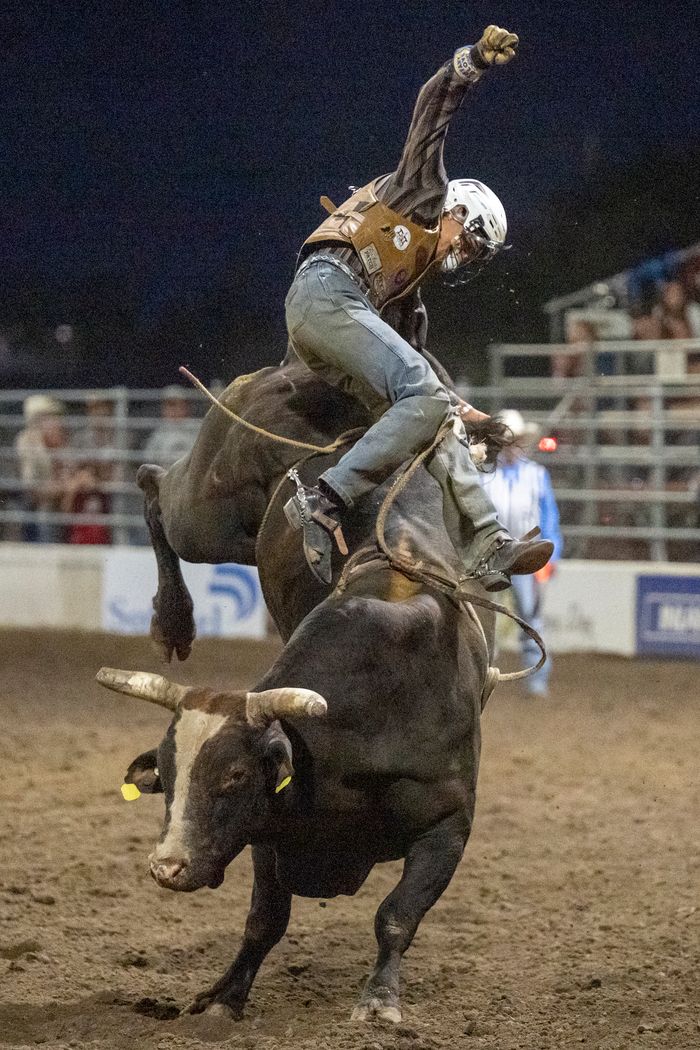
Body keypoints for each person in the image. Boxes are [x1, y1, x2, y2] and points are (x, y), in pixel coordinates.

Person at [283, 25, 553, 591]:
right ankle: (325, 499)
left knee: (432, 415)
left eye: (477, 253)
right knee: (425, 397)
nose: (466, 254)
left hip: (331, 322)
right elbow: (432, 109)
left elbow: (422, 379)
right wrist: (473, 62)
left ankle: (486, 541)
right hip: (325, 290)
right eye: (472, 240)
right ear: (459, 213)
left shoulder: (411, 299)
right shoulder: (423, 194)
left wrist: (474, 417)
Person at [480, 410, 563, 696]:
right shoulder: (484, 476)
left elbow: (549, 520)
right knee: (485, 620)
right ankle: (481, 677)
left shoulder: (537, 476)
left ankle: (538, 680)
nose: (511, 447)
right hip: (491, 556)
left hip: (526, 556)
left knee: (530, 618)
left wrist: (549, 557)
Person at [14, 394, 71, 542]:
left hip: (56, 503)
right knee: (44, 518)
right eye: (51, 417)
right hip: (36, 505)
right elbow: (31, 486)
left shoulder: (58, 441)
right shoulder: (26, 440)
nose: (57, 422)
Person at [142, 386, 199, 468]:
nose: (174, 410)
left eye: (177, 405)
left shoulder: (195, 427)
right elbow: (148, 458)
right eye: (170, 405)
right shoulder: (160, 430)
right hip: (165, 475)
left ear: (185, 407)